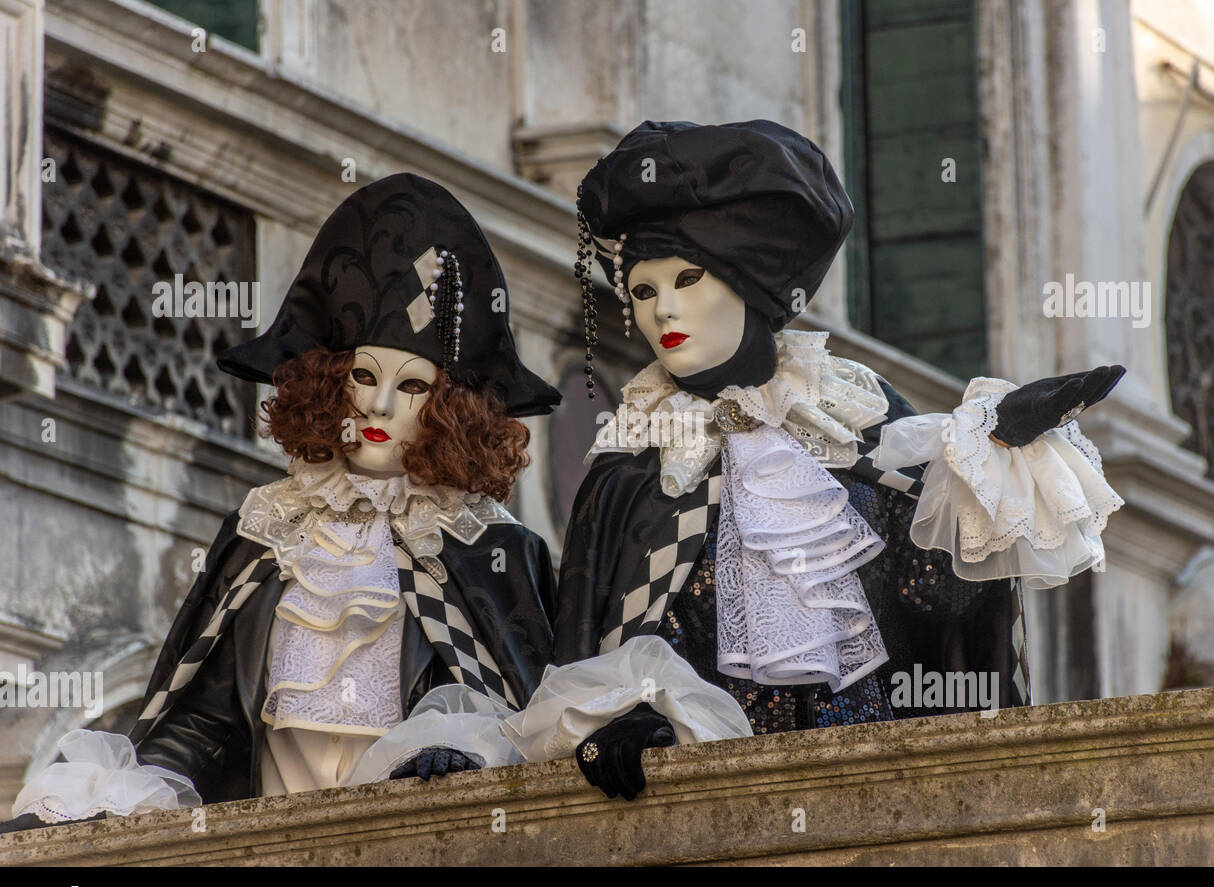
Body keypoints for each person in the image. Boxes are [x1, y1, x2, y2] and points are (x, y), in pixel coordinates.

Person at [502, 120, 1125, 801]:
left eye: (686, 278)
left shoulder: (853, 421)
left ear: (748, 284)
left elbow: (938, 601)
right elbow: (587, 649)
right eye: (643, 290)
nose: (663, 310)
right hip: (699, 800)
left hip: (867, 791)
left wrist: (993, 456)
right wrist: (623, 715)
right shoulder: (630, 464)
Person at [6, 173, 560, 830]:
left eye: (412, 386)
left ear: (451, 407)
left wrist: (463, 746)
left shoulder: (491, 548)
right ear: (328, 382)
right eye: (362, 375)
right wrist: (108, 800)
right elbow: (205, 722)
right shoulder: (266, 530)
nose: (380, 405)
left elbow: (527, 713)